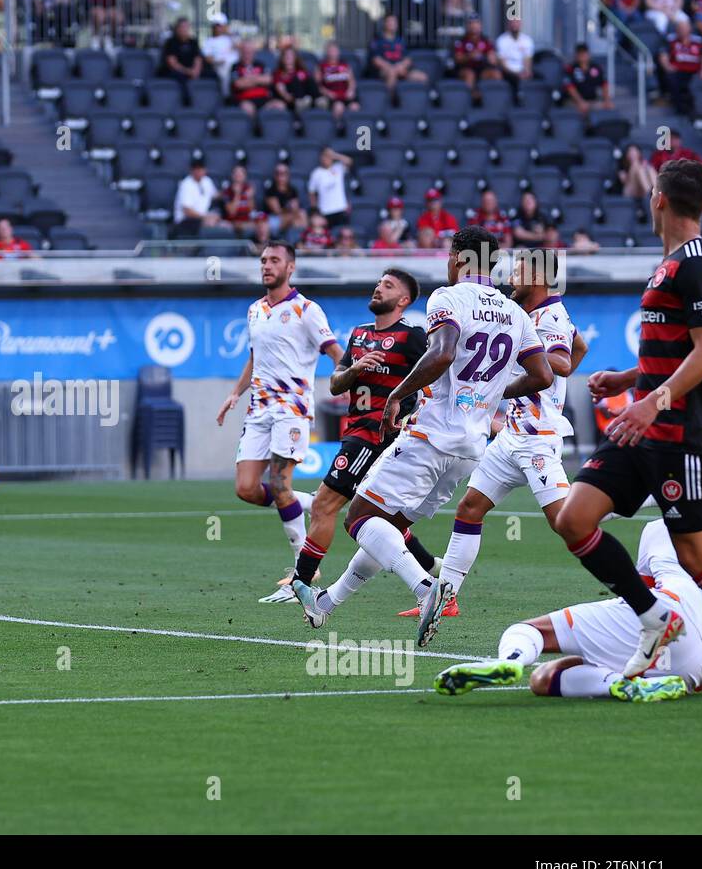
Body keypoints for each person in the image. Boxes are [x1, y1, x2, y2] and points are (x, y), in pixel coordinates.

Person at [292, 226, 552, 647]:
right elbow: (541, 375)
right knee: (390, 525)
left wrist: (398, 393)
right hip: (471, 448)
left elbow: (444, 352)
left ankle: (427, 589)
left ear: (458, 258)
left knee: (360, 518)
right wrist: (490, 393)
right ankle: (326, 603)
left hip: (432, 435)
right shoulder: (515, 313)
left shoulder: (448, 298)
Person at [554, 159, 702, 677]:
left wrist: (651, 401)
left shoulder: (697, 263)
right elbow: (676, 351)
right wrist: (630, 381)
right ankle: (654, 618)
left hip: (679, 437)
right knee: (573, 517)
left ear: (659, 200)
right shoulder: (669, 264)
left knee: (697, 562)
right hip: (640, 431)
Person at [263, 269, 439, 604]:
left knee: (325, 504)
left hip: (374, 436)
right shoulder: (359, 334)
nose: (378, 288)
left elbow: (434, 377)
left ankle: (301, 582)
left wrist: (405, 410)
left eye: (388, 286)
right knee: (377, 517)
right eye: (378, 282)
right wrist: (355, 370)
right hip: (355, 430)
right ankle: (435, 571)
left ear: (403, 300)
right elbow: (335, 383)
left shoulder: (412, 337)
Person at [428, 249, 588, 616]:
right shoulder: (531, 314)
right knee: (469, 508)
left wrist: (530, 363)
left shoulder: (551, 316)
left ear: (536, 277)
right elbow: (580, 346)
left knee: (568, 523)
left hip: (536, 438)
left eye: (516, 271)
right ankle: (445, 599)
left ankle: (622, 510)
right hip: (510, 437)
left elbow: (562, 361)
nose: (509, 278)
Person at [435, 521, 702, 702]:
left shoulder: (659, 527)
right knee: (543, 679)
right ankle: (622, 684)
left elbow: (641, 600)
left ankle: (512, 659)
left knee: (530, 631)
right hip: (701, 667)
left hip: (671, 612)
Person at [216, 241, 341, 579]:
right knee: (245, 488)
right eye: (263, 261)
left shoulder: (306, 310)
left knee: (279, 483)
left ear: (290, 268)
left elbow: (335, 353)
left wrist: (352, 383)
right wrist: (235, 393)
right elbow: (255, 358)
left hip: (291, 410)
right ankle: (314, 503)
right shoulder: (255, 309)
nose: (267, 266)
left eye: (274, 260)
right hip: (258, 410)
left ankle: (304, 570)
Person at [658, 14, 702, 117]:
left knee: (697, 83)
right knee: (670, 78)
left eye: (685, 28)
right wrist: (668, 67)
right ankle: (680, 109)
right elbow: (663, 55)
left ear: (690, 29)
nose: (682, 30)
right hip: (677, 70)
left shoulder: (698, 40)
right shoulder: (671, 39)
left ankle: (695, 110)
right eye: (680, 28)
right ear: (677, 29)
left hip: (695, 71)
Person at [367, 14, 427, 98]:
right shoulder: (377, 40)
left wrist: (400, 67)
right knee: (392, 73)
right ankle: (389, 101)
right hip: (383, 72)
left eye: (394, 22)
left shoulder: (401, 40)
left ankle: (416, 102)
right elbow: (376, 60)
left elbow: (408, 59)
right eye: (390, 21)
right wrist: (393, 68)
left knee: (422, 77)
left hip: (401, 70)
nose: (392, 24)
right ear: (385, 23)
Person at [452, 14, 501, 99]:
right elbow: (458, 58)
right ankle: (470, 99)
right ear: (467, 26)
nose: (474, 26)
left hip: (482, 70)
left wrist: (490, 57)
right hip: (465, 69)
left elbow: (493, 59)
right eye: (471, 24)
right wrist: (469, 56)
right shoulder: (461, 42)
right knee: (470, 74)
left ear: (480, 26)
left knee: (496, 74)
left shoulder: (486, 41)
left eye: (476, 23)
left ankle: (493, 99)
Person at [172, 159, 220, 238]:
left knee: (224, 224)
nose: (199, 172)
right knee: (211, 224)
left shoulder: (207, 181)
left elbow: (216, 195)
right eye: (196, 169)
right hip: (185, 221)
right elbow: (187, 211)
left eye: (201, 169)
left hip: (202, 218)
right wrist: (206, 217)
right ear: (192, 171)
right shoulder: (186, 185)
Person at [158, 17, 204, 97]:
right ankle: (186, 101)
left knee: (211, 75)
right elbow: (172, 63)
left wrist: (196, 71)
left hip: (191, 70)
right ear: (177, 28)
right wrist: (188, 72)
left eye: (186, 27)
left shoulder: (193, 42)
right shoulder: (170, 42)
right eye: (182, 27)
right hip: (175, 71)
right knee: (181, 78)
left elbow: (198, 59)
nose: (184, 29)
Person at [308, 147, 352, 228]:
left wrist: (335, 155)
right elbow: (311, 193)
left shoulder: (338, 168)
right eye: (324, 156)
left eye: (328, 156)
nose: (326, 158)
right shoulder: (316, 173)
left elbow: (349, 161)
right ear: (320, 157)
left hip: (341, 209)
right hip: (324, 211)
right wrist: (315, 212)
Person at [563, 42, 613, 115]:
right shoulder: (571, 69)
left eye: (584, 53)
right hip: (574, 102)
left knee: (609, 106)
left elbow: (604, 84)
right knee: (580, 108)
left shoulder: (596, 67)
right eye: (580, 53)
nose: (582, 56)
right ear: (576, 55)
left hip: (592, 100)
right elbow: (570, 87)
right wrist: (580, 101)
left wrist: (607, 100)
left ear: (588, 54)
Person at [316, 40, 358, 120]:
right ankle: (338, 128)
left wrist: (351, 90)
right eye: (331, 50)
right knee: (339, 107)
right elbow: (317, 85)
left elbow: (352, 81)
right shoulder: (321, 66)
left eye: (335, 50)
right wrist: (327, 93)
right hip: (332, 97)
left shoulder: (345, 65)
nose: (333, 52)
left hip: (346, 95)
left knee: (355, 107)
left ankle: (352, 129)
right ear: (327, 52)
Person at [268, 45, 318, 111]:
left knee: (308, 80)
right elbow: (281, 90)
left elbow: (310, 85)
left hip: (306, 98)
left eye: (291, 56)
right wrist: (291, 99)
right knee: (295, 80)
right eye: (286, 56)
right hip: (291, 100)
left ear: (295, 58)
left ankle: (318, 101)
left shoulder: (302, 72)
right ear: (282, 59)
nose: (289, 58)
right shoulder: (278, 73)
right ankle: (301, 102)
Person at [230, 40, 273, 117]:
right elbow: (239, 84)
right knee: (248, 108)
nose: (247, 55)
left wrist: (249, 78)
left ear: (254, 53)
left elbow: (269, 80)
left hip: (264, 99)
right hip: (245, 100)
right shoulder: (235, 66)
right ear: (240, 52)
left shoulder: (261, 65)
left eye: (250, 52)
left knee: (279, 106)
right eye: (245, 52)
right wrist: (259, 79)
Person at [263, 162, 305, 235]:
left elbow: (296, 208)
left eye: (283, 173)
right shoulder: (271, 190)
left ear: (288, 175)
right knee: (296, 218)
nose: (280, 176)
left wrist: (293, 211)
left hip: (288, 218)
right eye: (278, 173)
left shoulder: (292, 190)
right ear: (275, 175)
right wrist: (291, 210)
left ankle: (304, 240)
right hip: (273, 219)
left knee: (300, 216)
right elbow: (277, 211)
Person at [494, 17, 534, 92]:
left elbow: (528, 59)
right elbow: (503, 63)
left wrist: (527, 71)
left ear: (520, 24)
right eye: (512, 22)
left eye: (517, 22)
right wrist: (516, 74)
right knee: (514, 80)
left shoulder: (527, 40)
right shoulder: (502, 40)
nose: (514, 25)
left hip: (522, 71)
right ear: (508, 24)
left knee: (540, 77)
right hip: (508, 71)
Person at [202, 12, 238, 90]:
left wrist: (230, 34)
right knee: (225, 74)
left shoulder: (231, 38)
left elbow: (242, 48)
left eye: (221, 25)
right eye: (217, 25)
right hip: (220, 67)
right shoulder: (209, 41)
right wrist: (218, 61)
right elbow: (208, 58)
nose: (219, 28)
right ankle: (227, 97)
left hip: (236, 65)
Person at [216, 165, 256, 233]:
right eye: (236, 173)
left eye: (241, 173)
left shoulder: (248, 189)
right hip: (231, 222)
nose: (238, 175)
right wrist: (237, 195)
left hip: (245, 222)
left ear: (245, 176)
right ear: (232, 175)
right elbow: (231, 212)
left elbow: (251, 210)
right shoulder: (227, 191)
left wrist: (250, 197)